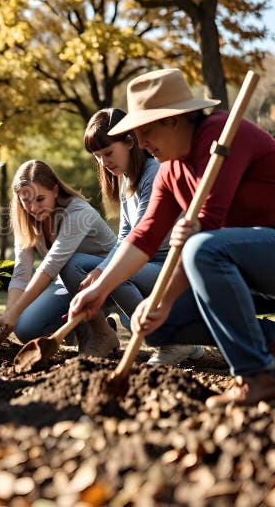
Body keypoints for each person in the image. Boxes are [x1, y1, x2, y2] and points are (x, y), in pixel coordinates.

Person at [70, 68, 275, 407]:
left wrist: (165, 298)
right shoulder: (171, 169)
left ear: (174, 119)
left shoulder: (221, 136)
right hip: (253, 273)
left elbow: (207, 232)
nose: (141, 143)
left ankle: (256, 378)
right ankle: (274, 341)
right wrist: (100, 290)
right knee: (158, 328)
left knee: (201, 249)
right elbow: (143, 237)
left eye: (145, 131)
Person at [71, 108, 205, 365]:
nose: (104, 163)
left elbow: (139, 235)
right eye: (97, 157)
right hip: (144, 264)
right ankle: (188, 342)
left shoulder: (153, 173)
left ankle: (171, 342)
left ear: (130, 142)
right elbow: (124, 234)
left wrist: (106, 272)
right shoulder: (124, 179)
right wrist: (100, 268)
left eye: (108, 153)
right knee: (76, 264)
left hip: (170, 265)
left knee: (119, 274)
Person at [0, 160, 116, 355]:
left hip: (107, 277)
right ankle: (83, 329)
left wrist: (14, 312)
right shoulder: (26, 221)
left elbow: (51, 266)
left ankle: (100, 332)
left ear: (55, 191)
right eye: (26, 201)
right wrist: (10, 314)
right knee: (25, 329)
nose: (33, 207)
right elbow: (22, 271)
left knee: (70, 264)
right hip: (67, 281)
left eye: (40, 199)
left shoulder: (78, 212)